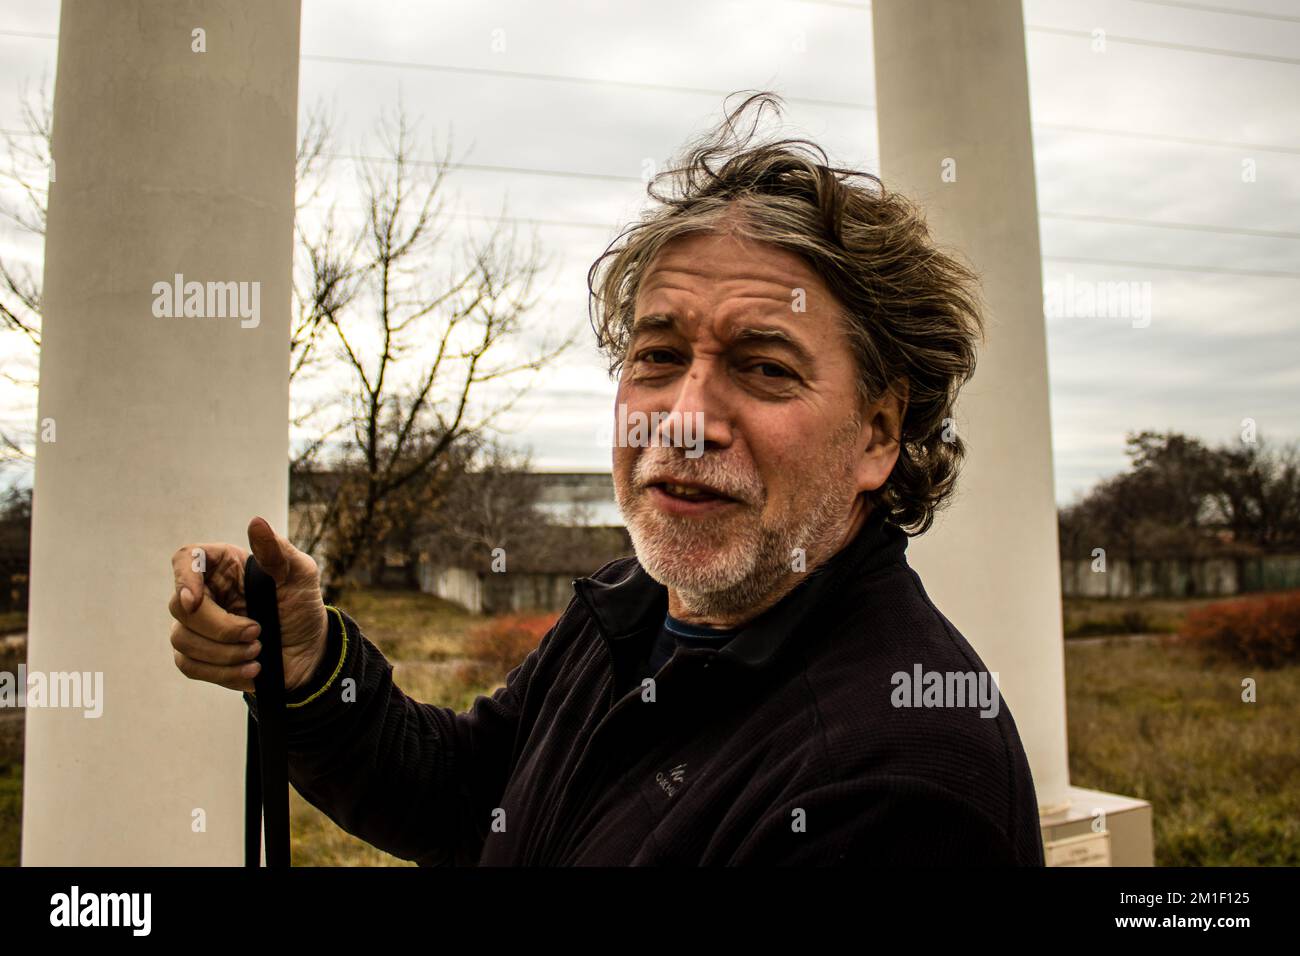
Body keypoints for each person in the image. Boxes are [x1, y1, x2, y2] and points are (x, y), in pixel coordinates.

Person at [168, 92, 1045, 866]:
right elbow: (470, 798)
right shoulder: (633, 609)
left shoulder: (900, 784)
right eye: (658, 355)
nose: (684, 416)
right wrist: (311, 666)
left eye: (766, 366)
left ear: (879, 435)